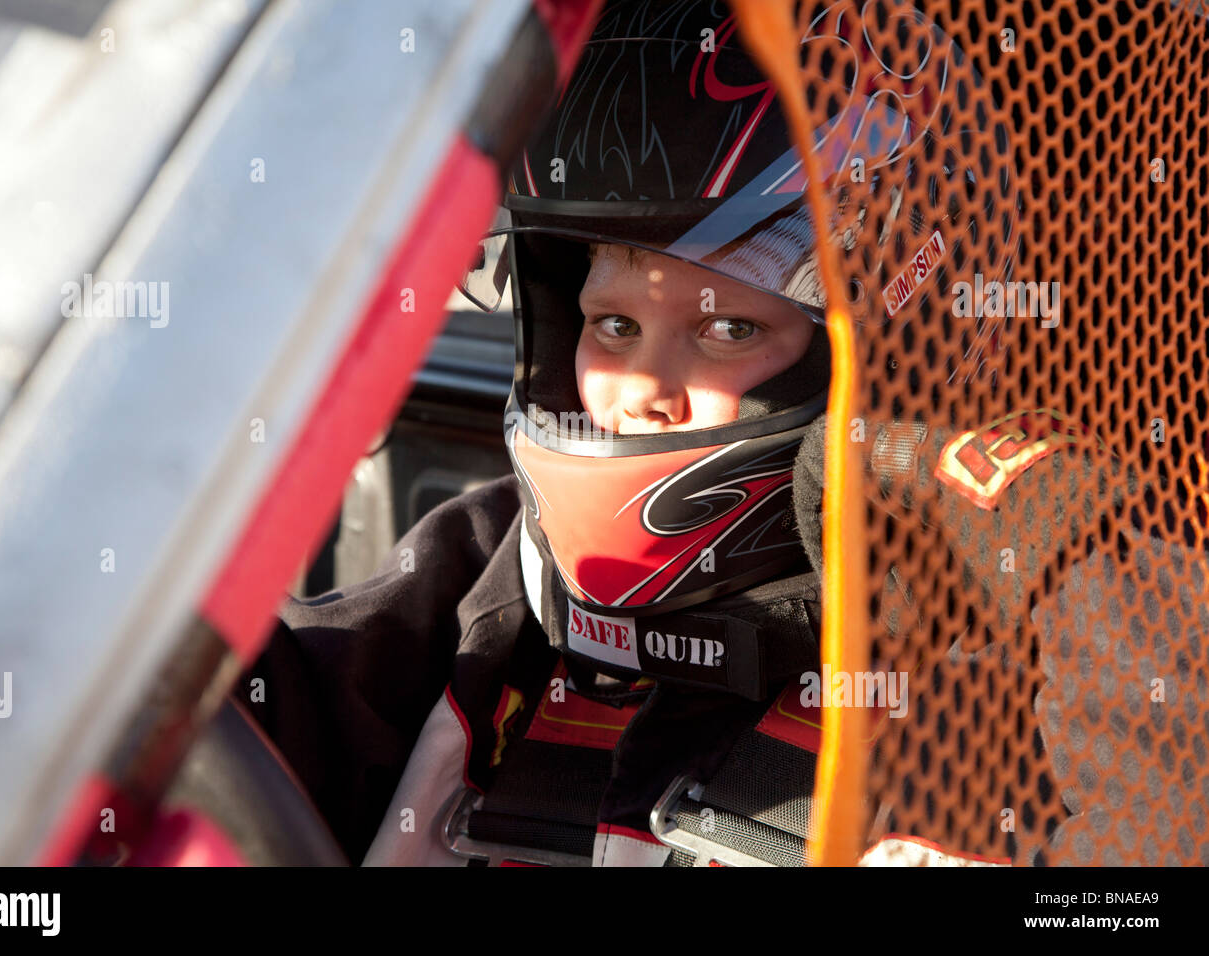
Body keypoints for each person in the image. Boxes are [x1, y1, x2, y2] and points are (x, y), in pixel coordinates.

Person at [235, 0, 1037, 866]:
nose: (641, 392)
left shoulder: (987, 674)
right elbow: (258, 716)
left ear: (877, 360)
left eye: (727, 330)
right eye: (612, 326)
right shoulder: (492, 573)